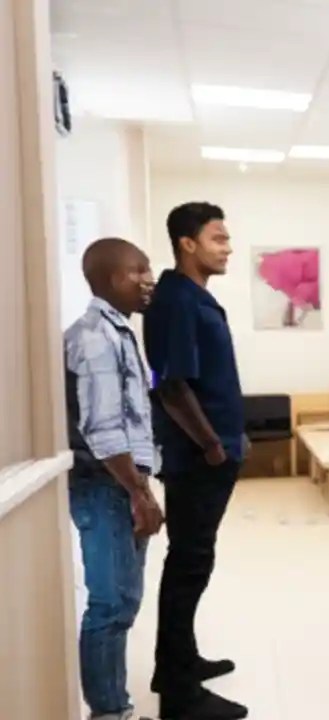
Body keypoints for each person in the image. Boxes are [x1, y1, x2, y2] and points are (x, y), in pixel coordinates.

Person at [144, 202, 247, 720]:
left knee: (192, 564)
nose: (227, 248)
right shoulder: (177, 301)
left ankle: (177, 664)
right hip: (197, 459)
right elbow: (170, 384)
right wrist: (210, 444)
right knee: (188, 566)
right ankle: (180, 696)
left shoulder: (192, 297)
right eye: (218, 238)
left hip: (210, 452)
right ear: (188, 243)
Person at [65, 237, 164, 720]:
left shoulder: (119, 331)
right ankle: (108, 713)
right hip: (108, 485)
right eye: (138, 271)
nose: (149, 280)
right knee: (109, 605)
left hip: (121, 482)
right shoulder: (95, 337)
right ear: (108, 280)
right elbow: (103, 428)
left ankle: (114, 708)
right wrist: (139, 493)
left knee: (123, 601)